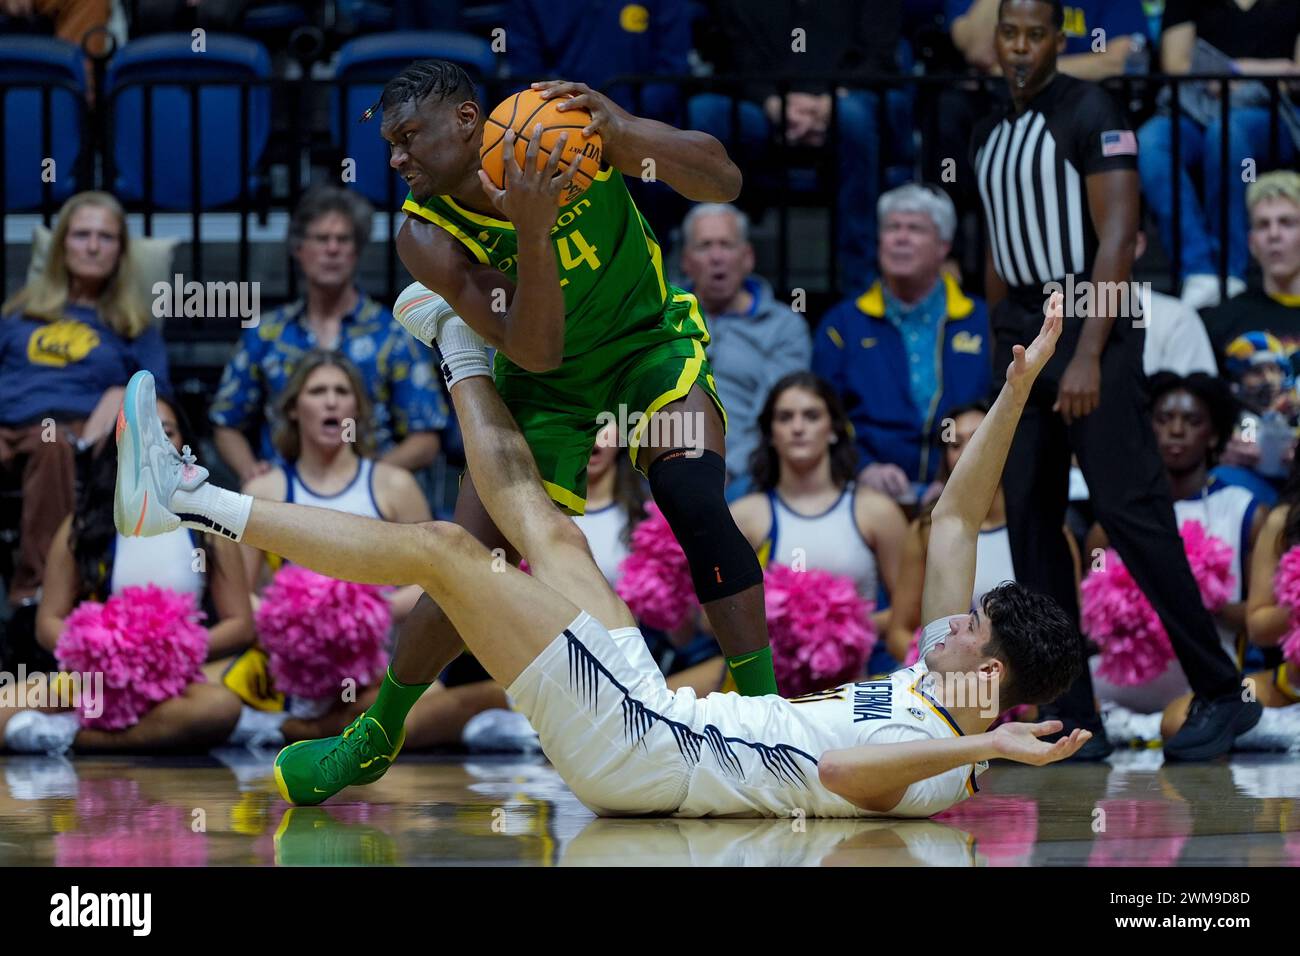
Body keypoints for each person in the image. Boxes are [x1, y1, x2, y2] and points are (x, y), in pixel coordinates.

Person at [115, 292, 1092, 816]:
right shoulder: (939, 680)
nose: (949, 620)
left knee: (453, 551)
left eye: (967, 627)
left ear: (991, 674)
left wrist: (982, 746)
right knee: (545, 525)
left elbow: (843, 780)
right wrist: (1022, 383)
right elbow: (959, 518)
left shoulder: (933, 764)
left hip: (641, 746)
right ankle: (460, 343)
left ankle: (193, 499)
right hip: (657, 715)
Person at [378, 61, 781, 700]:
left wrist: (623, 131)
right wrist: (533, 234)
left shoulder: (564, 129)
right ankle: (376, 731)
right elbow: (538, 353)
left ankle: (766, 712)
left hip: (644, 344)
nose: (397, 158)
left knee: (693, 496)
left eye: (407, 137)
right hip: (545, 380)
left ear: (465, 119)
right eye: (391, 145)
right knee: (468, 565)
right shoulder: (425, 234)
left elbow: (725, 180)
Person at [972, 0, 1259, 760]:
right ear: (995, 37)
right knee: (1031, 525)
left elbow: (1118, 236)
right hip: (1024, 330)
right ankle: (1072, 713)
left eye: (1037, 34)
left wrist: (1090, 352)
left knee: (1131, 513)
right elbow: (1001, 250)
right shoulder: (986, 127)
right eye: (1011, 32)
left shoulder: (1089, 106)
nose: (1022, 47)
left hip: (1091, 315)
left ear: (1059, 40)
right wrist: (1001, 345)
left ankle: (1224, 693)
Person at [2, 394, 249, 756]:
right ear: (121, 445)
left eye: (168, 431)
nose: (158, 442)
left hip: (177, 681)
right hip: (95, 678)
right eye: (143, 434)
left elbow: (241, 623)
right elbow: (48, 622)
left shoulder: (209, 529)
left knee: (219, 709)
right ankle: (97, 726)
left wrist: (167, 656)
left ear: (185, 446)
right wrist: (107, 653)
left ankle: (68, 737)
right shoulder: (84, 526)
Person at [0, 190, 170, 606]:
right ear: (62, 246)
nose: (93, 246)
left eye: (106, 237)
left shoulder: (132, 325)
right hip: (7, 424)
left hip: (77, 430)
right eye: (81, 235)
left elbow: (156, 394)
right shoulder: (19, 315)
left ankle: (39, 593)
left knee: (53, 443)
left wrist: (114, 405)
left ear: (120, 251)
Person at [210, 185, 446, 483]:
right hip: (285, 499)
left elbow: (426, 436)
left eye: (343, 239)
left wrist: (369, 483)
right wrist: (252, 473)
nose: (332, 248)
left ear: (356, 250)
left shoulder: (393, 333)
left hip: (371, 505)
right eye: (322, 239)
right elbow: (224, 422)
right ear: (298, 249)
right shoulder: (267, 333)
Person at [687, 0, 901, 290]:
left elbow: (881, 58)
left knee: (854, 118)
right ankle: (710, 255)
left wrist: (827, 104)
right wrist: (773, 103)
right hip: (763, 106)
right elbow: (730, 56)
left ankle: (860, 280)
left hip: (844, 100)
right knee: (706, 113)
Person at [1086, 372, 1267, 713]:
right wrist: (1125, 609)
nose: (1177, 430)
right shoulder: (1112, 523)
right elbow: (1089, 621)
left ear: (1213, 435)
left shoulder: (1246, 513)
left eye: (1192, 420)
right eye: (1164, 419)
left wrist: (1191, 597)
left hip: (1207, 693)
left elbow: (1260, 620)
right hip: (1119, 697)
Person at [813, 183, 990, 503]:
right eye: (892, 227)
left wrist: (959, 478)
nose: (901, 238)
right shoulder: (842, 325)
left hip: (971, 491)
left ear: (943, 246)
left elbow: (1001, 410)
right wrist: (862, 468)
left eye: (915, 229)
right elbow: (821, 414)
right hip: (862, 493)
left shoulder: (981, 321)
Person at [239, 351, 432, 622]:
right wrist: (295, 619)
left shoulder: (397, 486)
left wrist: (365, 616)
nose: (331, 402)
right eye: (317, 391)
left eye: (342, 392)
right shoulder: (262, 492)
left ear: (357, 409)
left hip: (380, 658)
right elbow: (239, 595)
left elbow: (433, 580)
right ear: (293, 409)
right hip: (294, 654)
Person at [1137, 0, 1300, 309]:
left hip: (1270, 116)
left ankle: (1231, 271)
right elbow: (1176, 63)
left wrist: (1230, 71)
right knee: (1151, 141)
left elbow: (1297, 72)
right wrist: (1257, 69)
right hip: (1195, 108)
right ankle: (1198, 268)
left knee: (1227, 132)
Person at [731, 373, 907, 637]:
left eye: (812, 416)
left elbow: (909, 611)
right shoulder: (743, 517)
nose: (798, 427)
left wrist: (838, 630)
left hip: (861, 673)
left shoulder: (877, 512)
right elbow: (712, 620)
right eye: (785, 417)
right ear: (770, 434)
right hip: (774, 674)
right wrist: (785, 628)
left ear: (834, 429)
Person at [678, 203, 811, 494]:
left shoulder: (783, 327)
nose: (716, 257)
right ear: (686, 261)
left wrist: (725, 469)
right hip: (665, 466)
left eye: (726, 245)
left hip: (746, 474)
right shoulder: (661, 318)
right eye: (704, 246)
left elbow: (776, 415)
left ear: (747, 257)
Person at [1203, 172, 1300, 360]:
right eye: (1263, 225)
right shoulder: (1221, 321)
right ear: (1251, 243)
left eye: (1286, 223)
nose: (1274, 234)